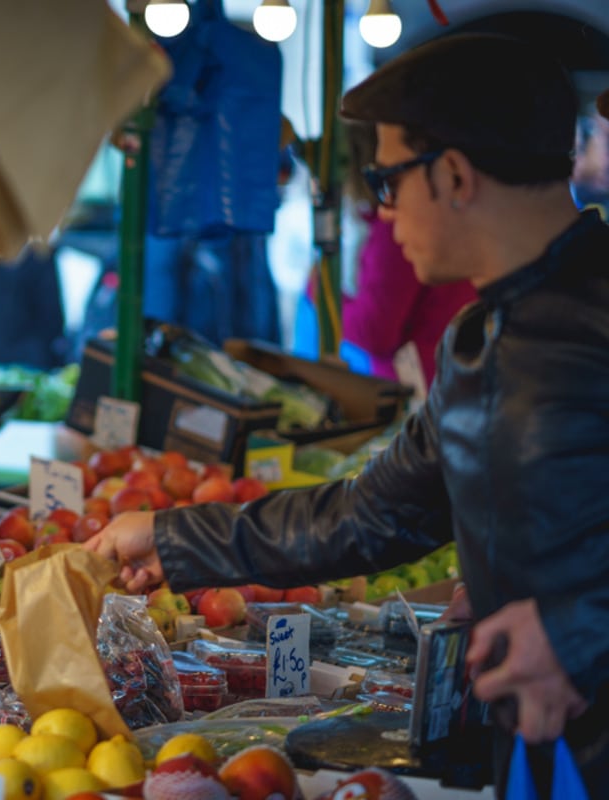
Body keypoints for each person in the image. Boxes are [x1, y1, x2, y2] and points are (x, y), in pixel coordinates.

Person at [86, 34, 607, 796]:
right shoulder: (474, 338)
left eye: (386, 180)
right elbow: (374, 514)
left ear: (455, 175)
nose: (381, 211)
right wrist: (175, 538)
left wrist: (580, 626)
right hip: (534, 745)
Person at [311, 121, 477, 389]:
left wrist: (320, 289)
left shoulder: (395, 230)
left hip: (426, 387)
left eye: (390, 179)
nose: (388, 211)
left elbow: (376, 331)